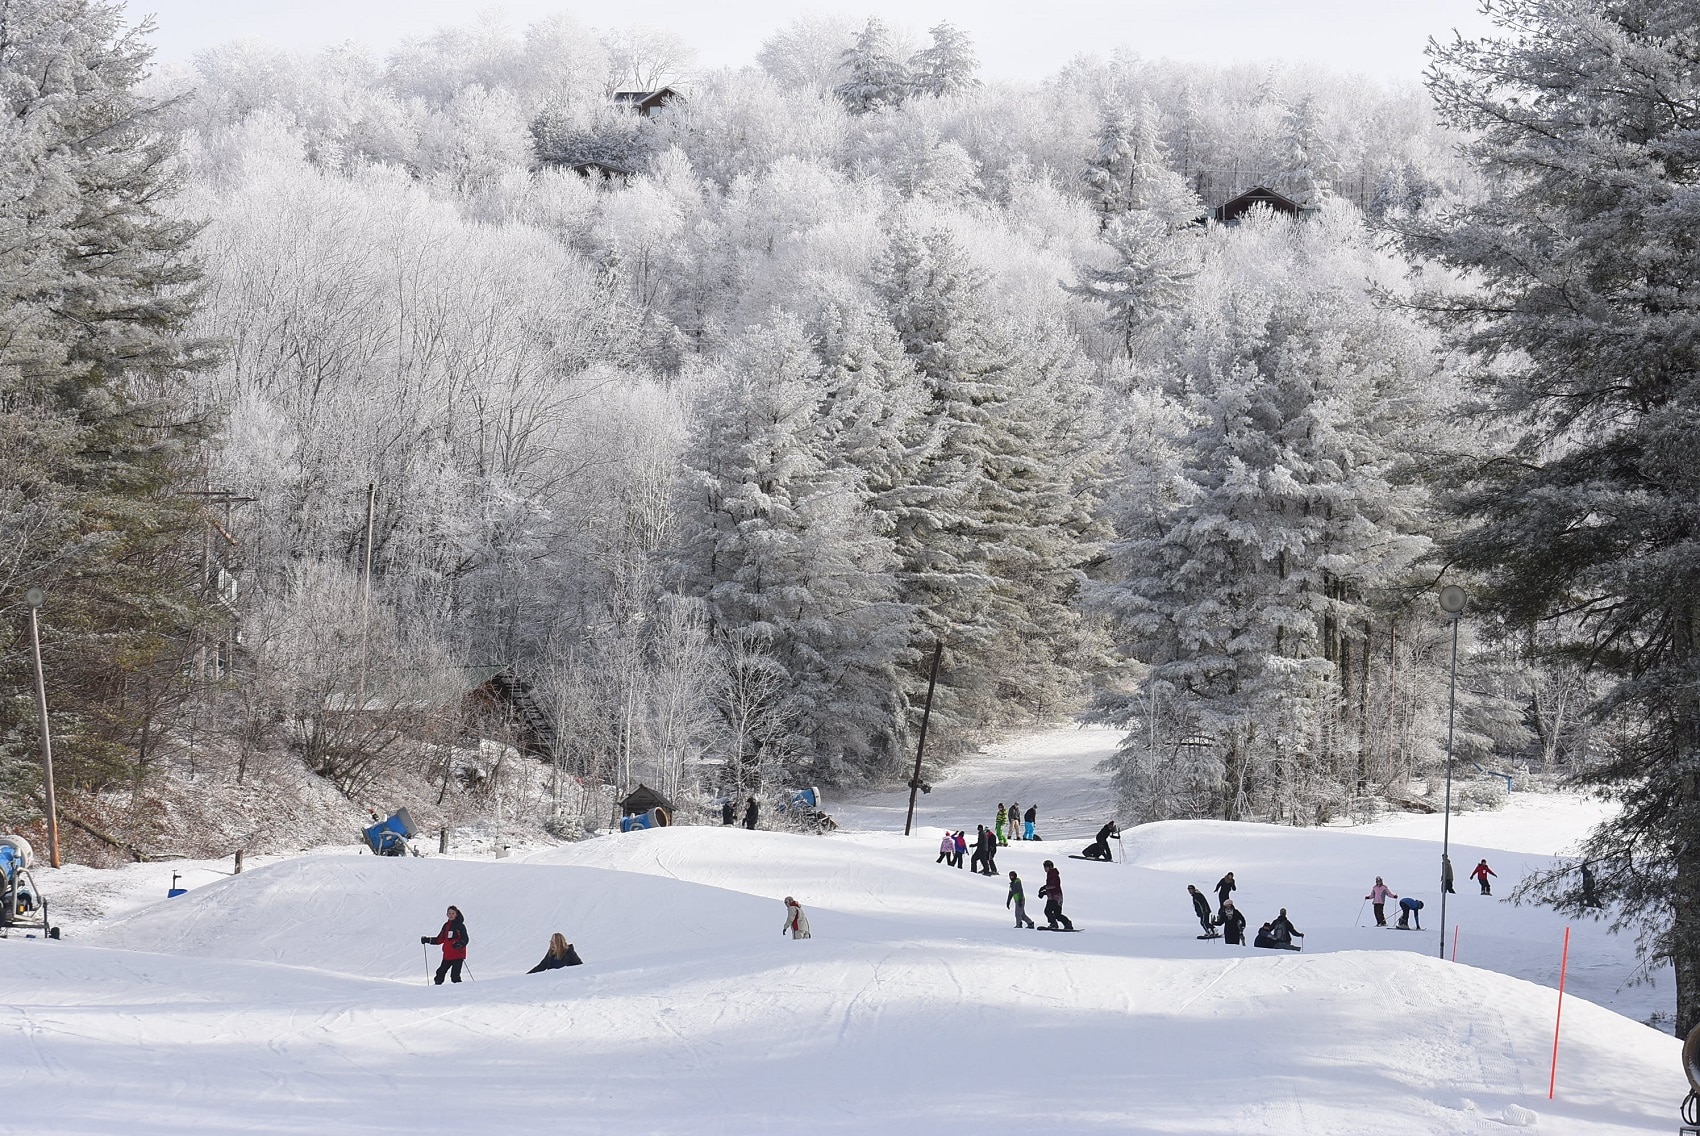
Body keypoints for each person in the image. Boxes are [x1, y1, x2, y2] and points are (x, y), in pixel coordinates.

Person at [422, 905, 470, 985]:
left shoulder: (460, 925)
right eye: (449, 913)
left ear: (456, 914)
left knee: (455, 976)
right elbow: (439, 939)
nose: (451, 915)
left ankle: (461, 991)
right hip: (447, 955)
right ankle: (437, 988)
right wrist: (427, 940)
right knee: (440, 973)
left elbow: (465, 938)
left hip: (458, 955)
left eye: (453, 913)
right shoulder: (446, 926)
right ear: (447, 914)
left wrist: (460, 944)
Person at [1038, 860, 1073, 931]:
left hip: (1054, 898)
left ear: (1050, 867)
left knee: (1047, 911)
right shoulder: (1052, 874)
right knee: (1057, 915)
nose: (1045, 869)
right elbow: (1052, 888)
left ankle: (1053, 924)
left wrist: (1044, 887)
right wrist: (1044, 893)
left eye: (1046, 867)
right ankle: (1067, 923)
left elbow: (1053, 885)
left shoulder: (1052, 874)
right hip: (1058, 898)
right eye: (1044, 867)